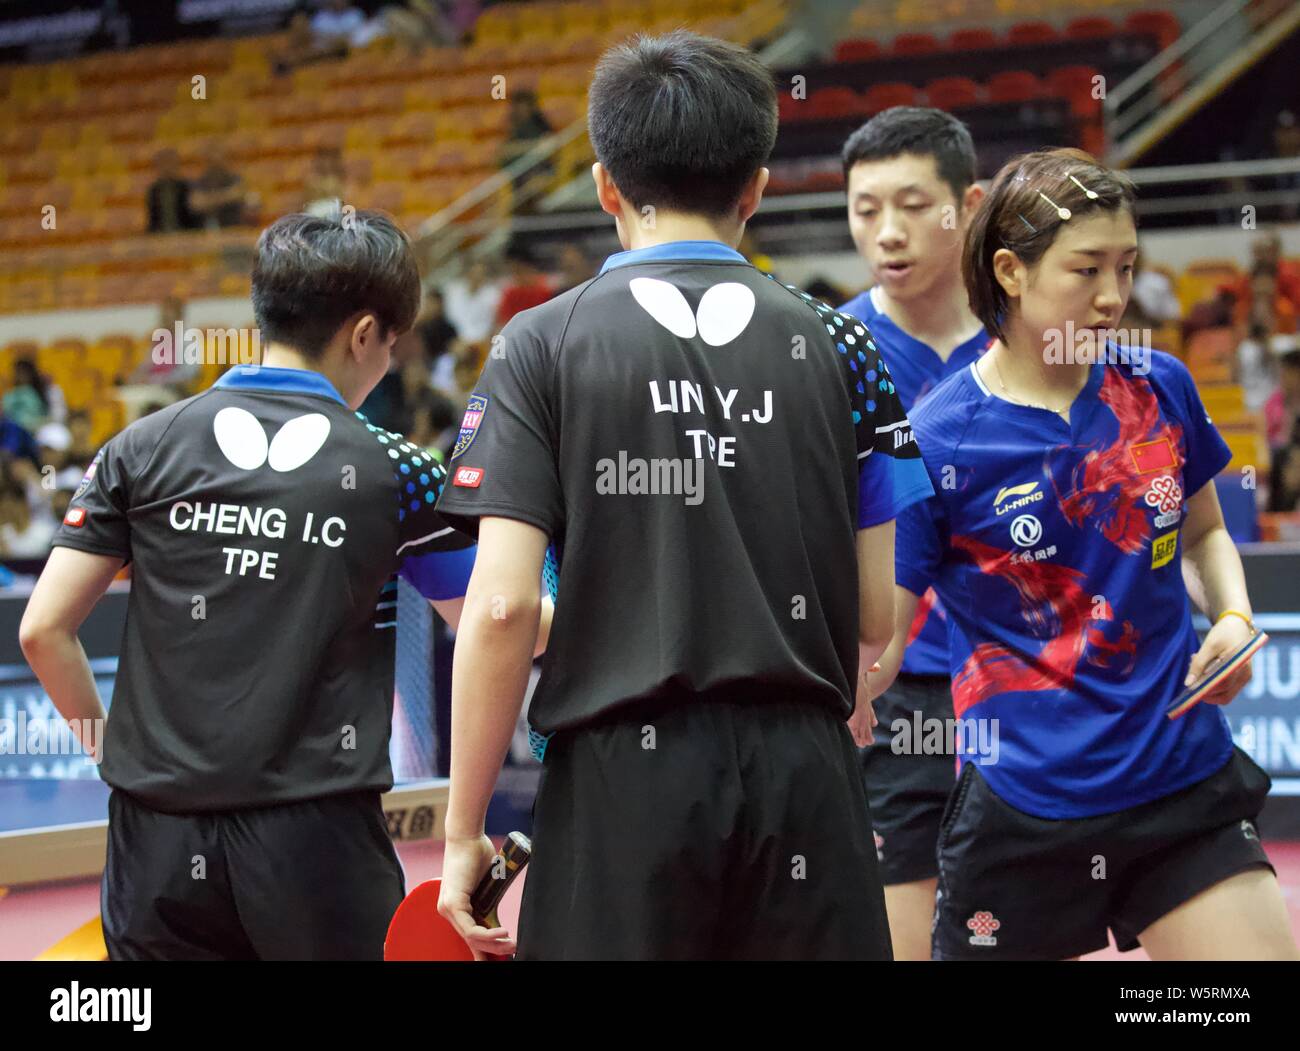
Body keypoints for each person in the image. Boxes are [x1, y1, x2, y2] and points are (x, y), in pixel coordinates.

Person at [434, 30, 932, 962]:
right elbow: (873, 614)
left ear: (606, 187)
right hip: (808, 781)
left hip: (624, 788)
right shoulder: (843, 345)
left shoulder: (538, 344)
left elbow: (498, 606)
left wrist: (466, 832)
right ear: (756, 188)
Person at [18, 208, 548, 961]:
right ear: (365, 334)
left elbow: (43, 630)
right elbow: (500, 617)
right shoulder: (396, 469)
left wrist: (113, 753)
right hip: (315, 843)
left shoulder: (140, 447)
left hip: (155, 835)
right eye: (391, 346)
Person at [869, 147, 1300, 961]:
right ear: (1011, 271)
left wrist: (1235, 614)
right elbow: (883, 635)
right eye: (1086, 269)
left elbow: (1206, 531)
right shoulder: (937, 438)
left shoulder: (1159, 385)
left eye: (1127, 266)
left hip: (1178, 778)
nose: (1112, 296)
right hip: (1026, 805)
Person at [836, 106, 988, 960]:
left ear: (967, 205)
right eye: (864, 210)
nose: (886, 233)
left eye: (910, 204)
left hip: (1024, 689)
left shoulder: (1029, 344)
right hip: (890, 695)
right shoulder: (831, 352)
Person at [4, 358, 66, 432]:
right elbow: (7, 414)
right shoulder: (10, 395)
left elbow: (56, 414)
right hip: (16, 430)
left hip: (40, 429)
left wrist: (44, 422)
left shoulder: (44, 391)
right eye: (18, 373)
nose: (21, 377)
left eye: (24, 373)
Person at [145, 149, 198, 233]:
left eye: (170, 163)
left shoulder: (186, 187)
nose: (166, 167)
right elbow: (153, 219)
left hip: (185, 234)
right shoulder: (154, 190)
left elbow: (193, 217)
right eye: (163, 163)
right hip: (161, 235)